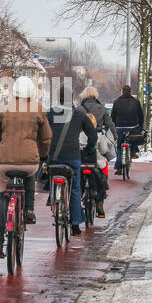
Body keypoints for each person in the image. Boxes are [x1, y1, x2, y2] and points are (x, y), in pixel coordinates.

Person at [0, 76, 51, 259]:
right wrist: (43, 154)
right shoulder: (37, 109)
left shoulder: (3, 107)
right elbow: (46, 137)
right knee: (30, 173)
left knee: (3, 197)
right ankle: (29, 210)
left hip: (5, 162)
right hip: (29, 161)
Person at [46, 85, 96, 236]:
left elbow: (41, 134)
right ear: (72, 98)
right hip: (73, 157)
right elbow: (92, 135)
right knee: (74, 188)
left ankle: (53, 197)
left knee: (50, 175)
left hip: (54, 157)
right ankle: (75, 225)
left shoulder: (49, 114)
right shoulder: (80, 115)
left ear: (58, 99)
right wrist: (90, 148)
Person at [78, 86, 115, 218]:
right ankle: (100, 201)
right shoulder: (102, 108)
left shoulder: (79, 109)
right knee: (103, 170)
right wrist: (115, 137)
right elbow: (110, 124)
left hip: (81, 152)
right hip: (97, 146)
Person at [110, 85, 145, 174]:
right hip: (132, 126)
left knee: (119, 146)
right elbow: (141, 115)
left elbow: (113, 115)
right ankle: (133, 151)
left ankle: (118, 167)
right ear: (130, 91)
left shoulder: (117, 102)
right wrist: (140, 126)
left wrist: (115, 124)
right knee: (133, 139)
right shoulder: (136, 102)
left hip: (119, 127)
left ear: (122, 91)